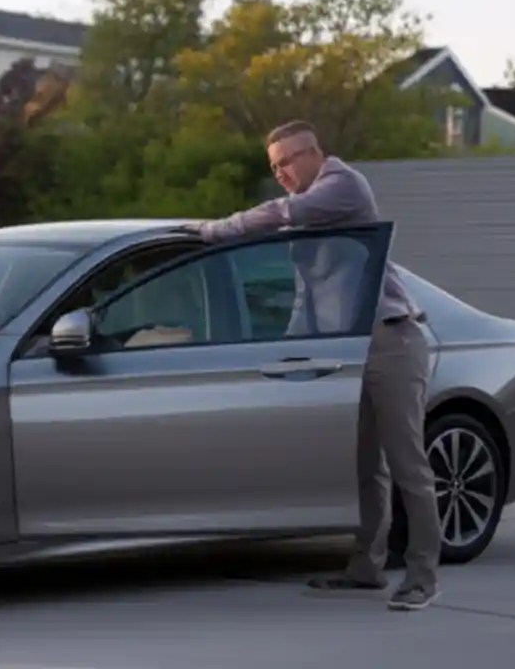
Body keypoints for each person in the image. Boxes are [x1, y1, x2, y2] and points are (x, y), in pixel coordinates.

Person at [186, 120, 442, 612]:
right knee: (366, 466)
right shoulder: (312, 213)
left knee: (409, 464)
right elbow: (308, 293)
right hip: (346, 348)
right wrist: (282, 354)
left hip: (390, 340)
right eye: (274, 166)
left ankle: (422, 578)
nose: (280, 173)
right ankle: (367, 569)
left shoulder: (342, 186)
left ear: (312, 154)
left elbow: (282, 211)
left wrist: (217, 230)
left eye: (286, 162)